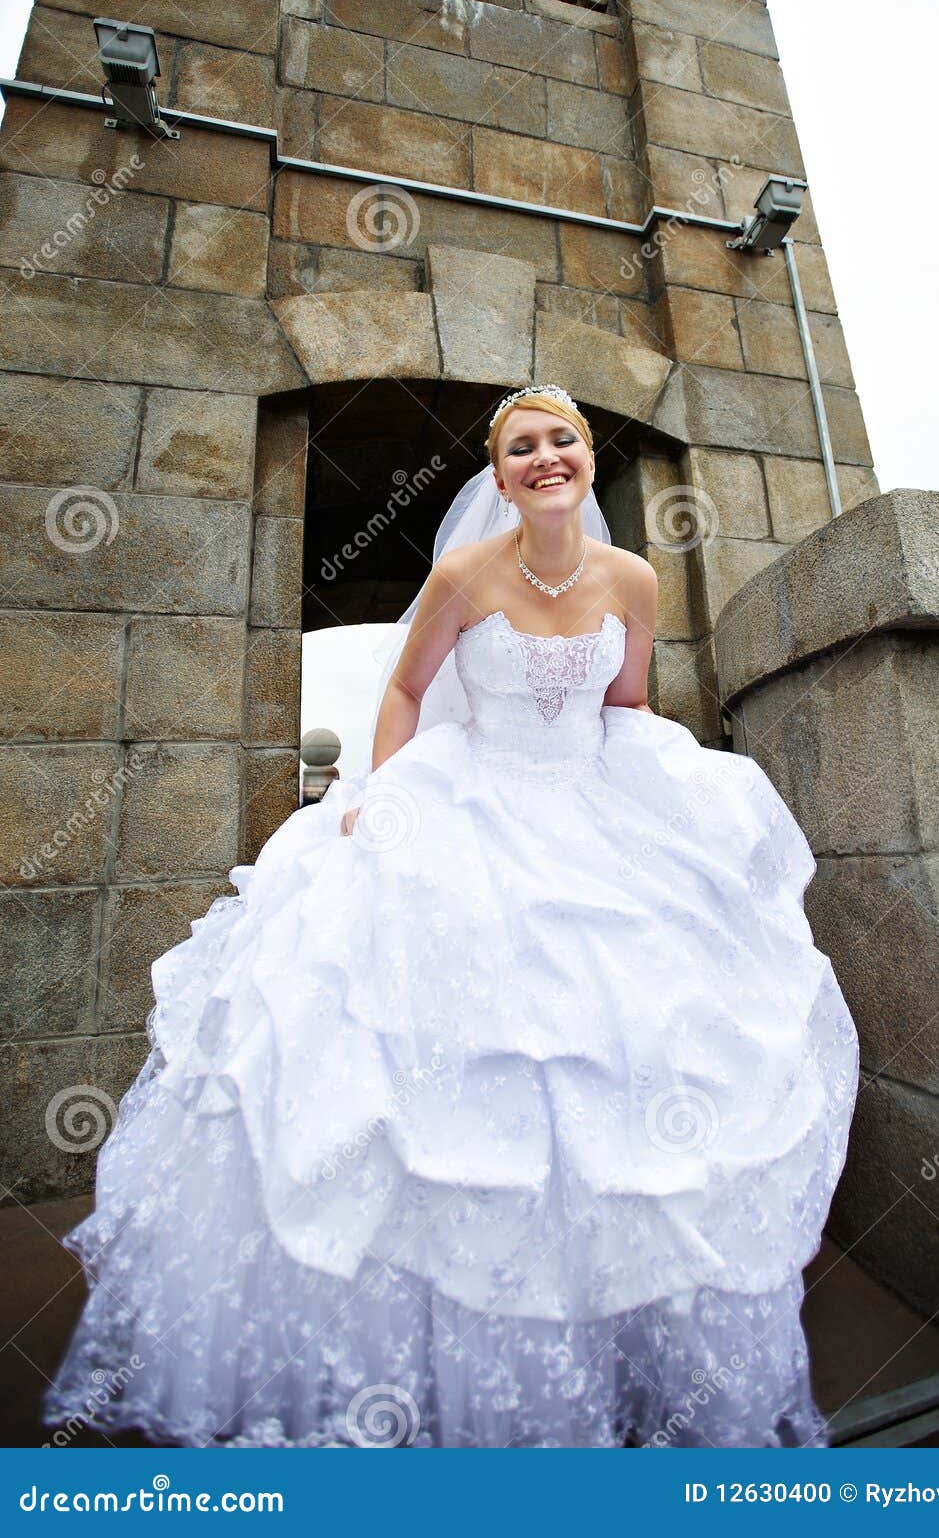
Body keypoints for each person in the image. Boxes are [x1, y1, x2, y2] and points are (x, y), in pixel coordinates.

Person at [41, 386, 859, 1450]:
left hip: (586, 803)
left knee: (631, 1043)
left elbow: (627, 704)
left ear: (581, 455)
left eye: (563, 439)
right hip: (472, 796)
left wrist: (682, 796)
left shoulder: (633, 578)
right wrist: (383, 796)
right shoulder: (463, 574)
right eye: (524, 447)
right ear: (500, 472)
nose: (548, 457)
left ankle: (625, 1342)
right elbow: (406, 692)